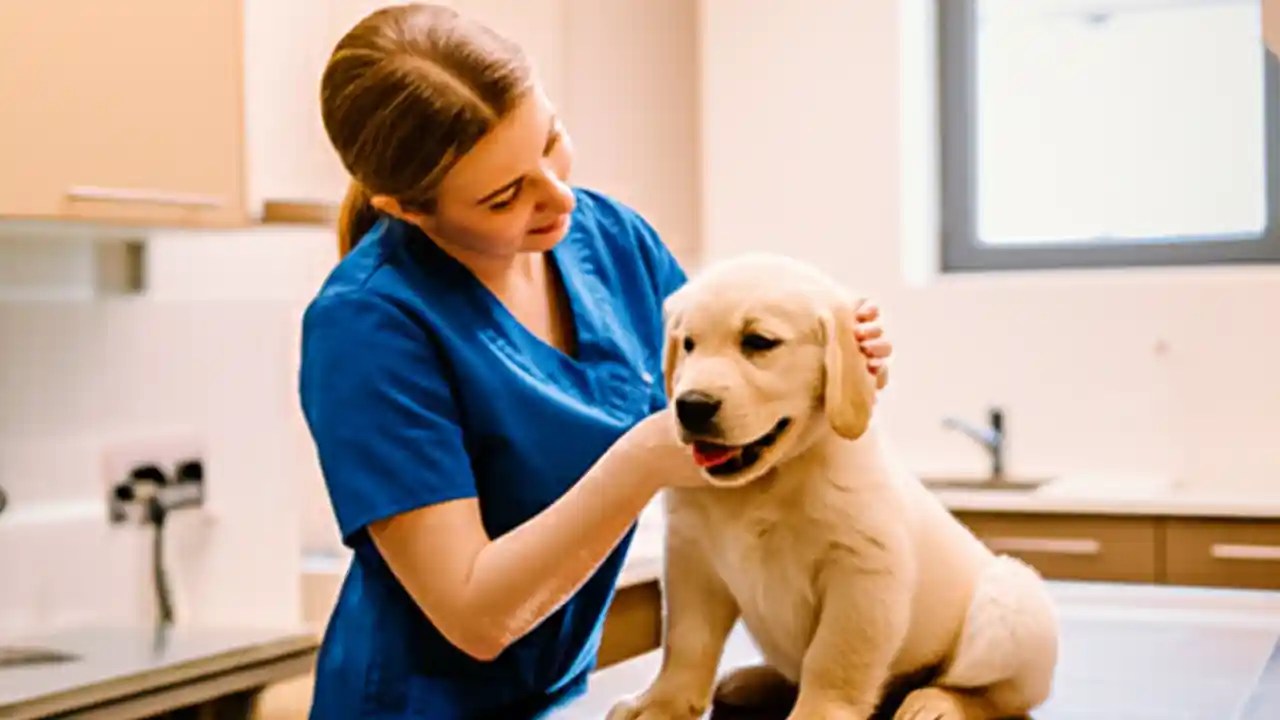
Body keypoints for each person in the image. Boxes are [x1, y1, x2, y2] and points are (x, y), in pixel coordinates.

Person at [297, 4, 894, 718]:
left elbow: (728, 393)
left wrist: (828, 372)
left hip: (558, 693)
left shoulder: (611, 240)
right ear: (408, 208)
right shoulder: (369, 326)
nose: (556, 195)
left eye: (551, 142)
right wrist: (644, 459)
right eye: (503, 195)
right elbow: (475, 615)